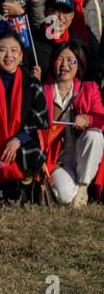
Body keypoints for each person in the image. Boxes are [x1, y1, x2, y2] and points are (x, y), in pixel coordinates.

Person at [0, 33, 49, 202]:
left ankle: (25, 186)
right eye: (2, 50)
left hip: (22, 140)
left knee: (32, 152)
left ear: (21, 56)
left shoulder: (31, 82)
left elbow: (39, 119)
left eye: (14, 51)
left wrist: (17, 140)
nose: (8, 55)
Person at [42, 40, 104, 207]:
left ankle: (83, 187)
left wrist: (87, 119)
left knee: (95, 135)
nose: (65, 65)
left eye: (71, 60)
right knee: (65, 196)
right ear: (53, 61)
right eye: (60, 59)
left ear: (79, 65)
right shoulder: (43, 89)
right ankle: (71, 187)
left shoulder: (89, 88)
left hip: (82, 152)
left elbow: (101, 118)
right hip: (58, 158)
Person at [36, 0, 99, 79]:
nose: (61, 17)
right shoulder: (34, 41)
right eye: (56, 11)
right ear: (47, 13)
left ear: (72, 15)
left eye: (66, 12)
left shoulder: (80, 44)